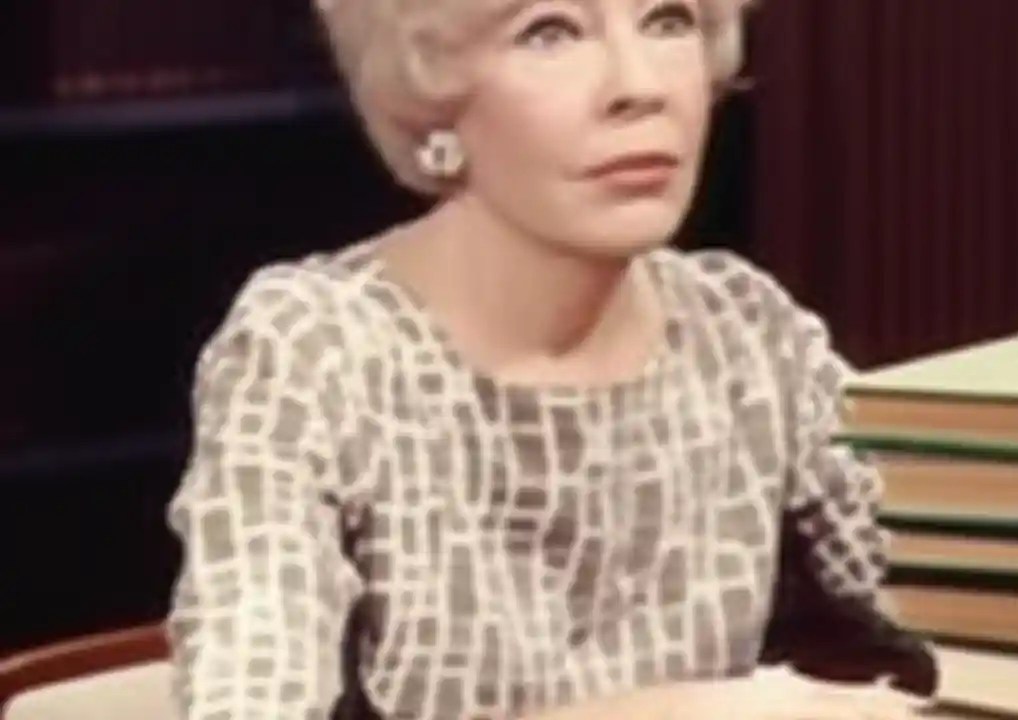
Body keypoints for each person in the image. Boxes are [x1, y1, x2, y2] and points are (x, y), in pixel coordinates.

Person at [164, 0, 931, 718]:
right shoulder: (313, 349)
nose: (638, 88)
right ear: (433, 87)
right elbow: (249, 695)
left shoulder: (745, 332)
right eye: (551, 31)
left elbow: (963, 598)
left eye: (668, 20)